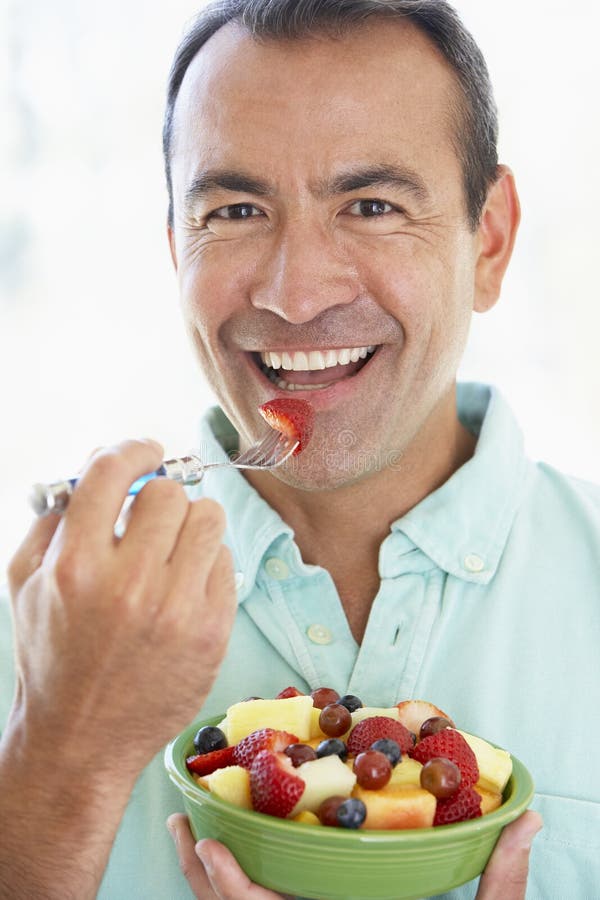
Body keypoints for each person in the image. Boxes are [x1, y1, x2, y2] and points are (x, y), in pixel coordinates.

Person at [1, 0, 599, 897]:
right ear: (177, 251)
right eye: (237, 210)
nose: (296, 295)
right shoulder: (44, 628)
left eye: (372, 205)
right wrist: (61, 758)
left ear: (491, 240)